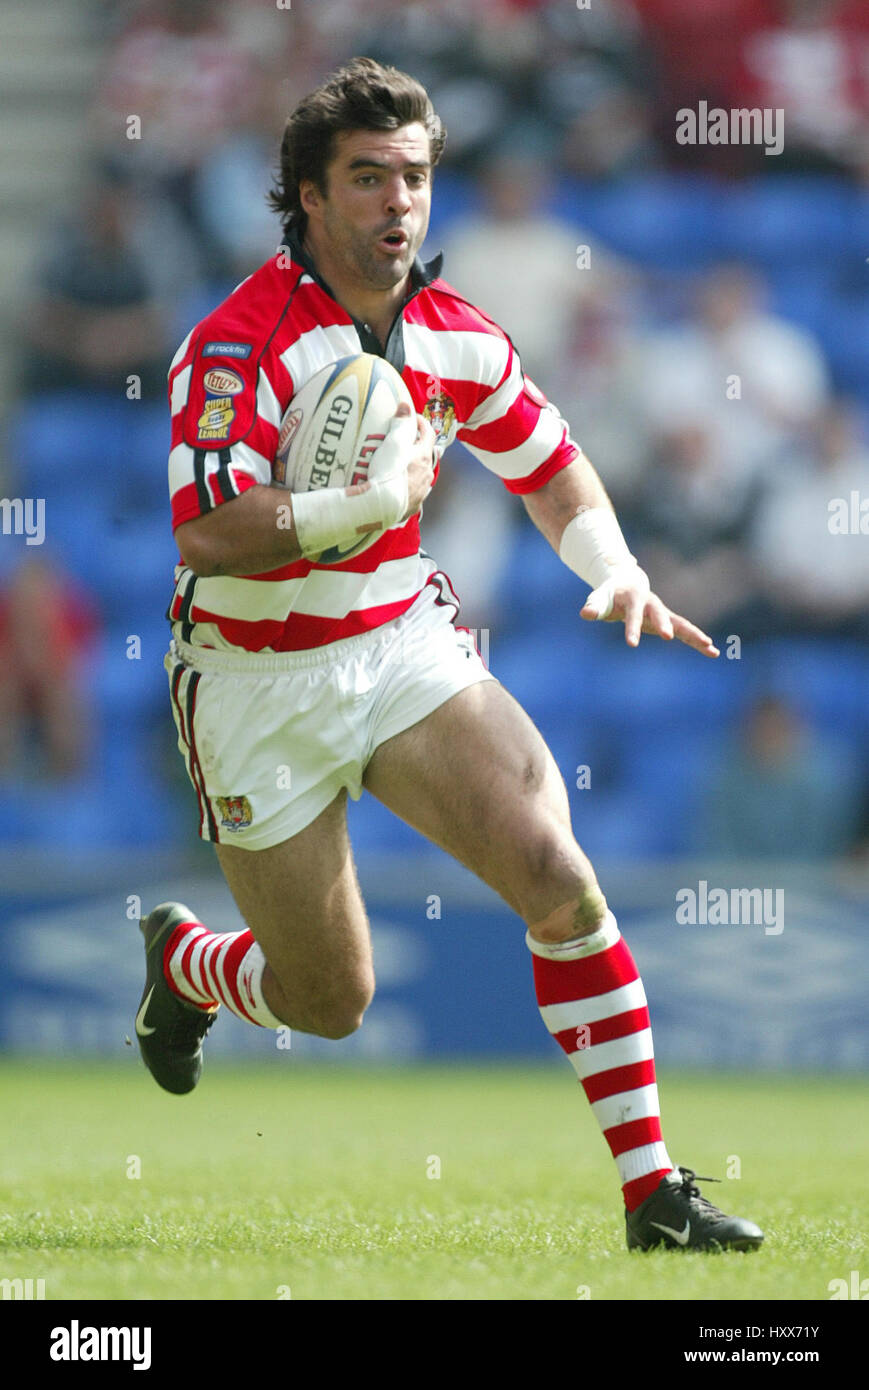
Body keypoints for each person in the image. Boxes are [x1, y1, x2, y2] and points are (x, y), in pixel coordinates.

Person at [135, 57, 762, 1254]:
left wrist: (614, 564)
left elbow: (547, 458)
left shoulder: (454, 333)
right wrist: (351, 506)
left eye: (412, 178)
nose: (396, 204)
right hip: (255, 680)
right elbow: (208, 528)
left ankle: (652, 1196)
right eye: (366, 179)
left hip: (399, 643)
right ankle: (191, 962)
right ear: (308, 198)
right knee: (331, 1000)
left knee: (558, 876)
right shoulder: (235, 346)